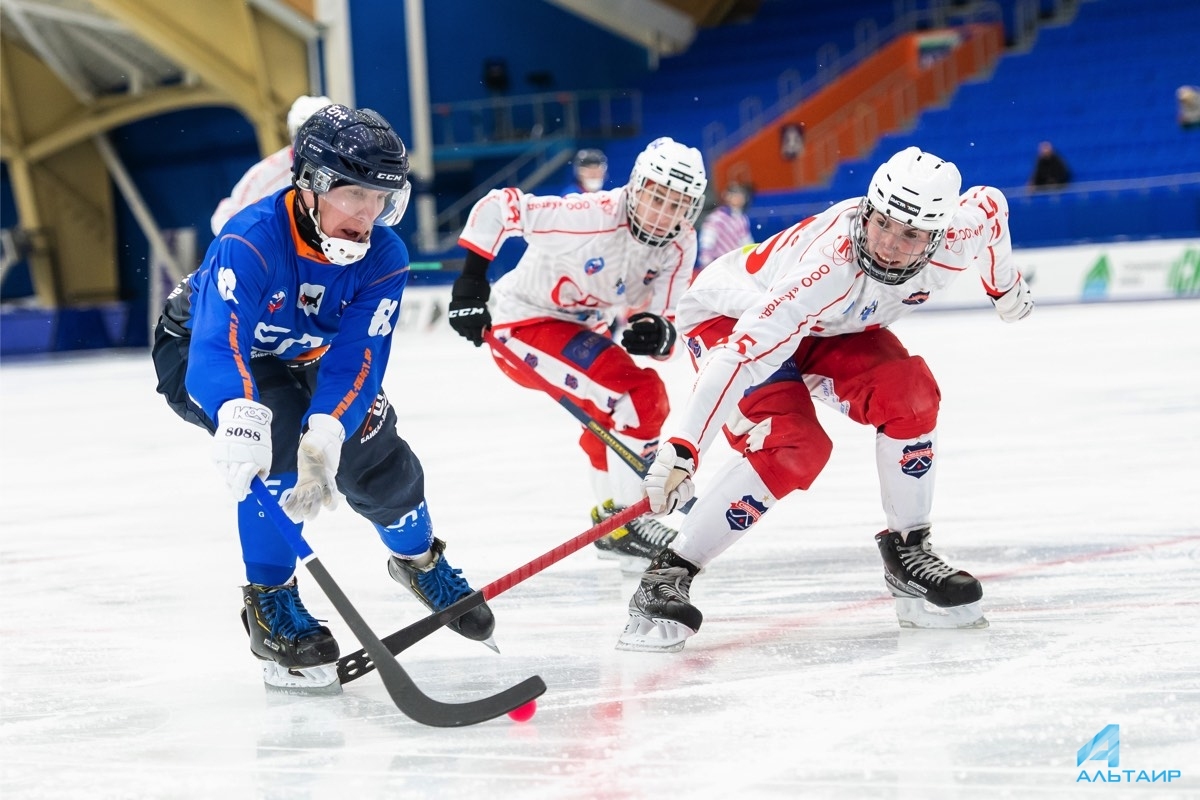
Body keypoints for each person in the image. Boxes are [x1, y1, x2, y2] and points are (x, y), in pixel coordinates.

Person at [616, 146, 1034, 653]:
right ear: (868, 210)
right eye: (882, 223)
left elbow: (991, 207)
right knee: (794, 447)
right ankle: (669, 572)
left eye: (911, 235)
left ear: (939, 237)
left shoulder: (959, 235)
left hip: (832, 323)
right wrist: (681, 452)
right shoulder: (825, 267)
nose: (888, 245)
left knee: (911, 394)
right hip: (736, 314)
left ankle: (910, 554)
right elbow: (740, 357)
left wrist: (1003, 285)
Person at [152, 104, 495, 692]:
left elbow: (358, 356)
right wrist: (236, 413)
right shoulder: (252, 240)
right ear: (309, 187)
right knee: (276, 441)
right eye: (352, 193)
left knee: (375, 450)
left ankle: (419, 560)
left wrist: (332, 427)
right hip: (212, 355)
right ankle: (270, 604)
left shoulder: (383, 256)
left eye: (381, 196)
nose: (368, 214)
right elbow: (218, 342)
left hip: (307, 352)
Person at [447, 137, 708, 571]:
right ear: (635, 186)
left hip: (583, 325)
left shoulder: (681, 243)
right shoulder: (590, 214)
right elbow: (500, 206)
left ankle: (613, 516)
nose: (663, 215)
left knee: (616, 413)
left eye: (678, 204)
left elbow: (670, 321)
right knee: (639, 396)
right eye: (656, 197)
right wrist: (471, 282)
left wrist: (661, 334)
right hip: (522, 322)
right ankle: (628, 520)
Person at [210, 94, 334, 235]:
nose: (313, 143)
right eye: (304, 133)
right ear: (293, 134)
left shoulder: (350, 168)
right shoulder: (265, 175)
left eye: (322, 134)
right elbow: (225, 217)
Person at [696, 183, 754, 272]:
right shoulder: (716, 218)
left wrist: (751, 257)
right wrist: (706, 265)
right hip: (719, 265)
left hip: (736, 265)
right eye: (735, 195)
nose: (739, 198)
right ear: (727, 196)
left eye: (741, 195)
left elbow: (746, 243)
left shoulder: (742, 218)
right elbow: (707, 242)